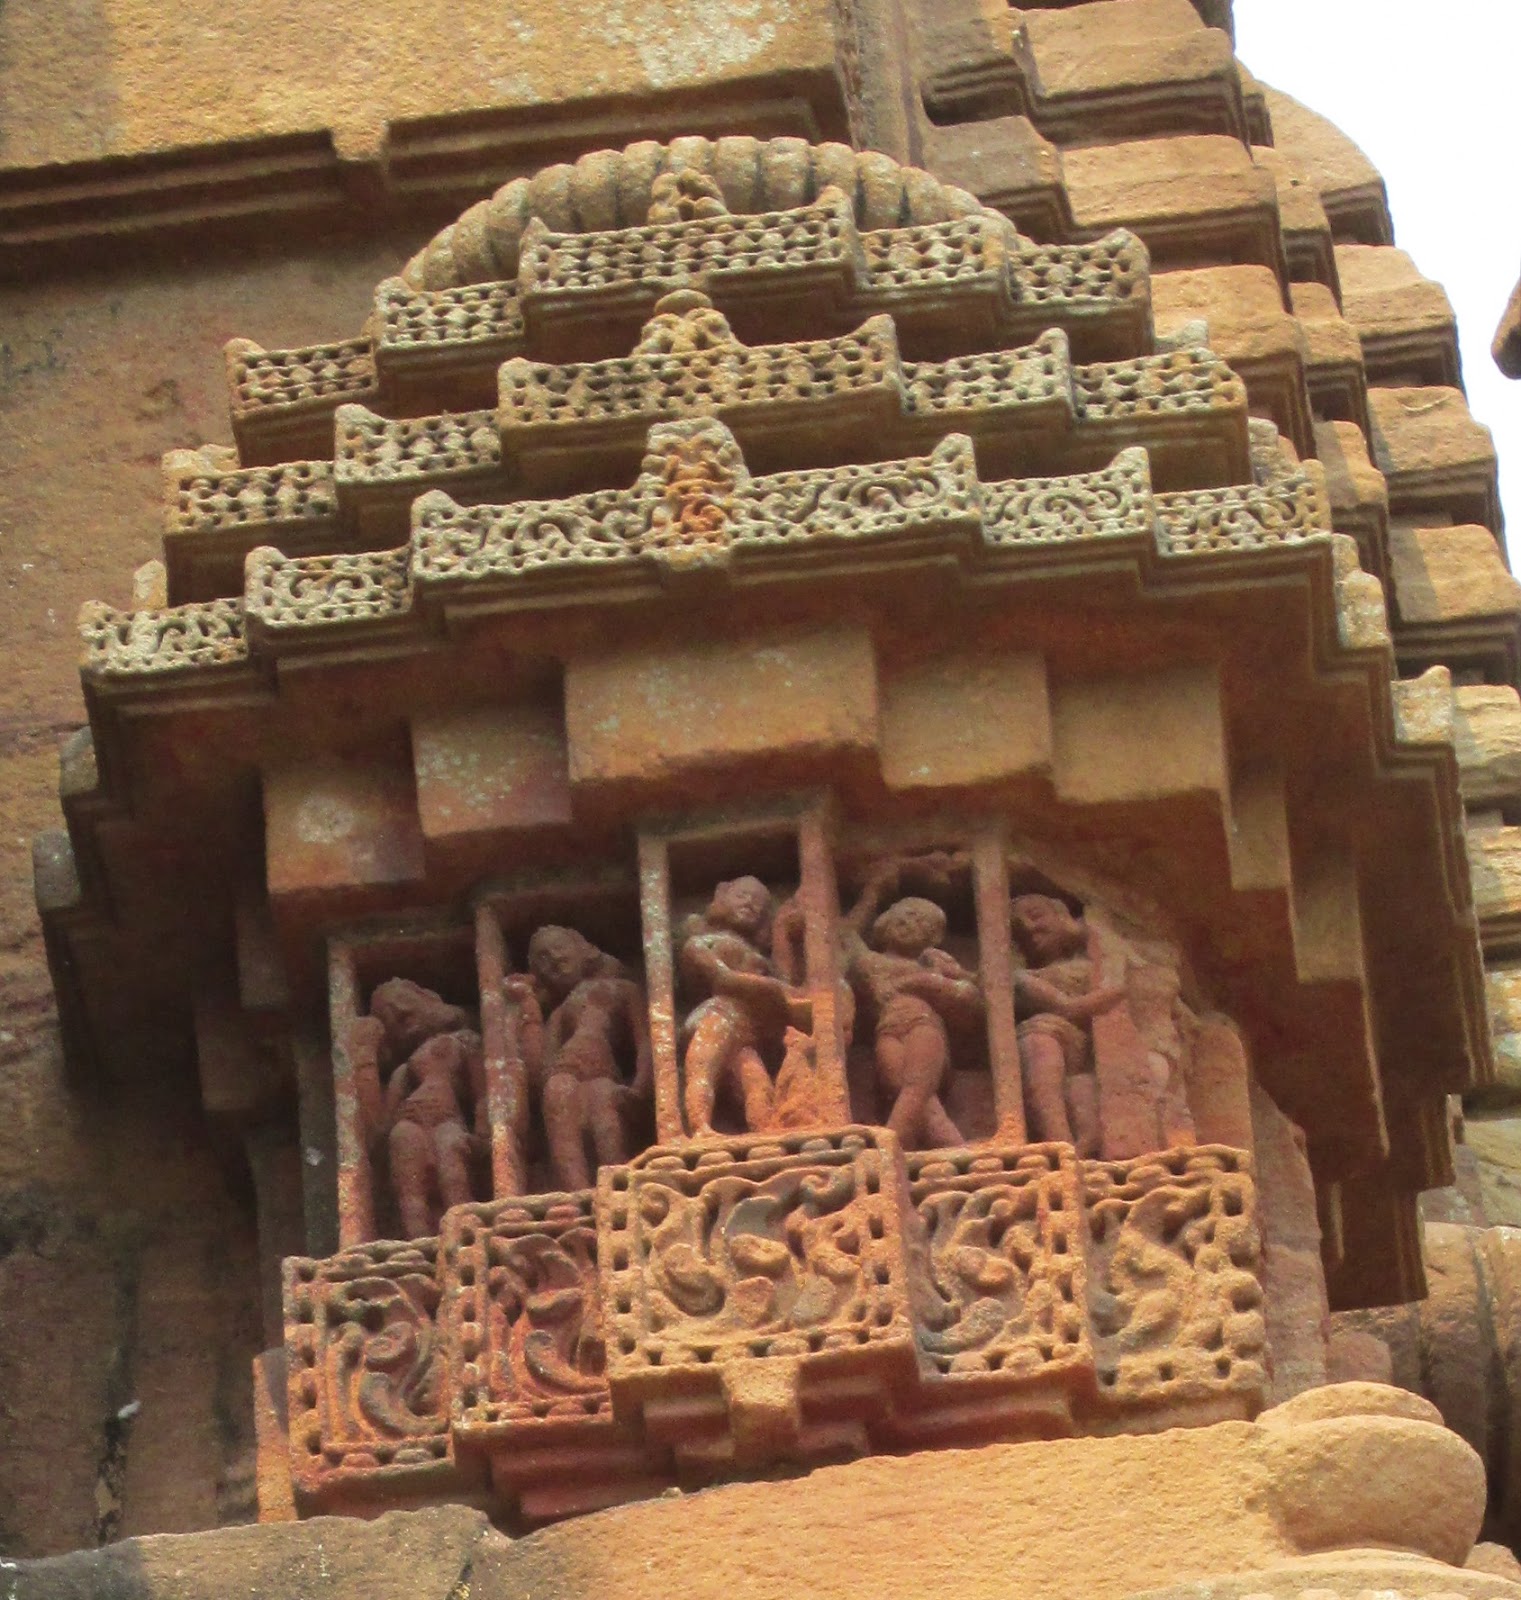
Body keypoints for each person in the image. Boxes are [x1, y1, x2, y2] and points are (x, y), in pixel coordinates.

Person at [844, 855, 983, 1150]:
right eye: (903, 915)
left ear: (932, 938)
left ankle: (888, 1149)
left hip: (924, 1024)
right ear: (885, 921)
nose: (910, 923)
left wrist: (924, 980)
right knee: (905, 1090)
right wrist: (873, 893)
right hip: (887, 1030)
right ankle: (957, 1151)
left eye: (921, 922)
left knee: (916, 1088)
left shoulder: (932, 966)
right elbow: (844, 936)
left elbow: (969, 993)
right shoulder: (871, 962)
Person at [503, 926, 652, 1191]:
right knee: (565, 1140)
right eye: (542, 961)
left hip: (603, 1075)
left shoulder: (623, 989)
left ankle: (620, 1193)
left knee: (608, 1131)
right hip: (562, 1073)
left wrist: (640, 1085)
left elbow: (645, 1042)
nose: (552, 961)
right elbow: (540, 1067)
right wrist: (528, 1007)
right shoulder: (561, 1011)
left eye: (558, 948)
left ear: (586, 949)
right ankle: (576, 1197)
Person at [346, 977, 486, 1238]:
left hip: (448, 1119)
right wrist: (364, 1058)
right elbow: (379, 1131)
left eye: (400, 1000)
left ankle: (468, 1237)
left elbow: (482, 1092)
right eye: (386, 1015)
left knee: (453, 1173)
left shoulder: (464, 1041)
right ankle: (418, 1245)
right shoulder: (405, 1069)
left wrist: (482, 1132)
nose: (397, 1012)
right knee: (411, 1192)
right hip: (407, 1123)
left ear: (427, 997)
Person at [676, 875, 811, 1135]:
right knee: (704, 1069)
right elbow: (722, 979)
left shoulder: (758, 955)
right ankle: (699, 1127)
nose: (750, 904)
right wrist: (773, 989)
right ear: (721, 896)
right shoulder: (702, 943)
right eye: (742, 896)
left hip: (747, 1031)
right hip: (718, 1015)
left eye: (759, 904)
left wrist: (783, 930)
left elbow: (786, 984)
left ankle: (767, 1139)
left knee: (758, 1087)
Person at [1009, 894, 1125, 1156]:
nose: (1029, 928)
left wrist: (1068, 1008)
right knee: (1039, 1042)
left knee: (1083, 1094)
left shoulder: (1089, 965)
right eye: (1017, 930)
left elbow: (1118, 992)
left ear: (1063, 916)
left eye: (1036, 915)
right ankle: (1059, 1143)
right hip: (1046, 1042)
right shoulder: (1022, 977)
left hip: (1086, 1052)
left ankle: (1076, 1151)